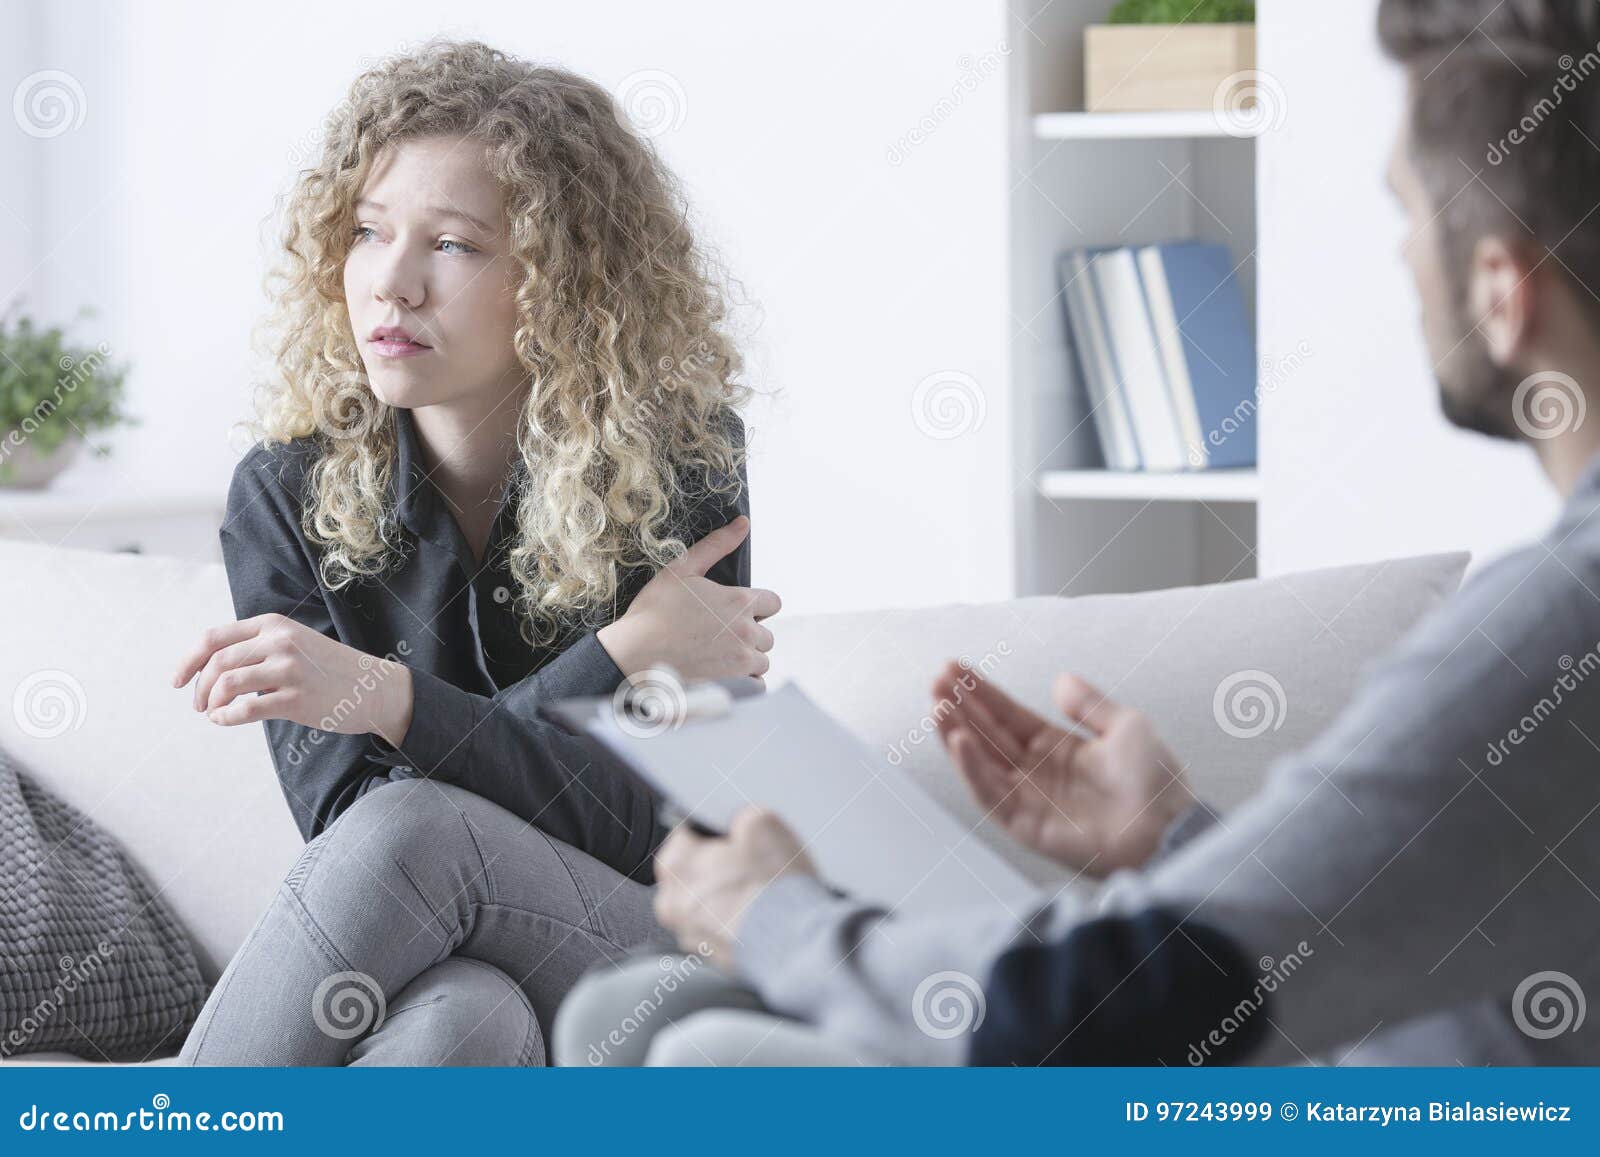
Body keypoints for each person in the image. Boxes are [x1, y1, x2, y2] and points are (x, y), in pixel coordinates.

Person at [554, 0, 1600, 1067]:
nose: (1403, 259)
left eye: (1408, 216)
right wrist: (1176, 840)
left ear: (1501, 292)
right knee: (637, 1012)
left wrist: (776, 916)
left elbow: (1093, 1008)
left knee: (703, 1048)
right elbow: (1384, 937)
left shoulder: (1561, 620)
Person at [175, 39, 779, 1066]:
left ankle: (166, 1129)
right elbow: (346, 829)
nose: (393, 283)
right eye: (368, 232)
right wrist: (621, 653)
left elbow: (636, 827)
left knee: (417, 832)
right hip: (451, 956)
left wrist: (390, 700)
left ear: (564, 282)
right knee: (465, 1018)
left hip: (647, 952)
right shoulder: (281, 492)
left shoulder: (678, 464)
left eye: (453, 245)